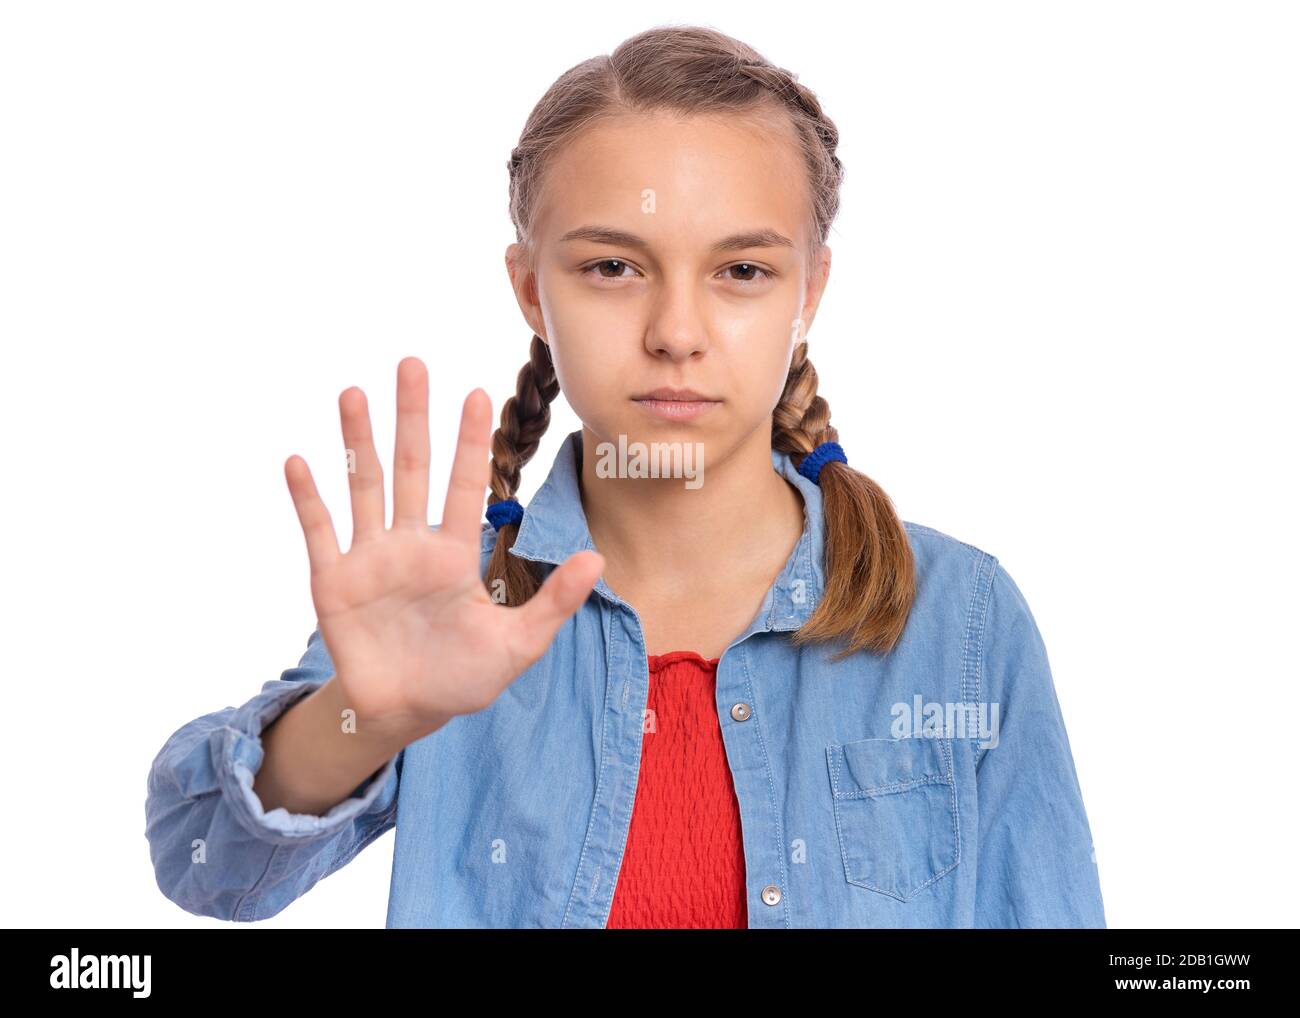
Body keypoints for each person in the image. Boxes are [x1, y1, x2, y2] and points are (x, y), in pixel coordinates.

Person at [144, 24, 1106, 928]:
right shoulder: (454, 605)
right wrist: (365, 721)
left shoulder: (961, 618)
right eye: (613, 266)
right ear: (531, 289)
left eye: (741, 272)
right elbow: (202, 863)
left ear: (810, 289)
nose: (676, 334)